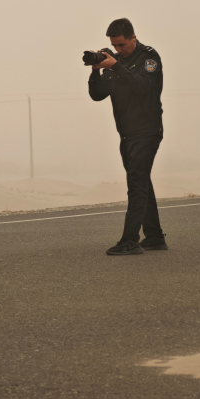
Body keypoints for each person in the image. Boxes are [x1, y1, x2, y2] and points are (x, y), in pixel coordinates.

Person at [87, 18, 167, 255]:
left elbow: (142, 86)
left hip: (147, 131)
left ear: (133, 38)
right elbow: (98, 94)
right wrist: (96, 69)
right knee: (141, 183)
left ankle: (130, 240)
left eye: (122, 44)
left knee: (136, 183)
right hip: (126, 135)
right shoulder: (115, 62)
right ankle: (153, 237)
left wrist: (115, 66)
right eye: (114, 45)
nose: (118, 50)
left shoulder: (149, 58)